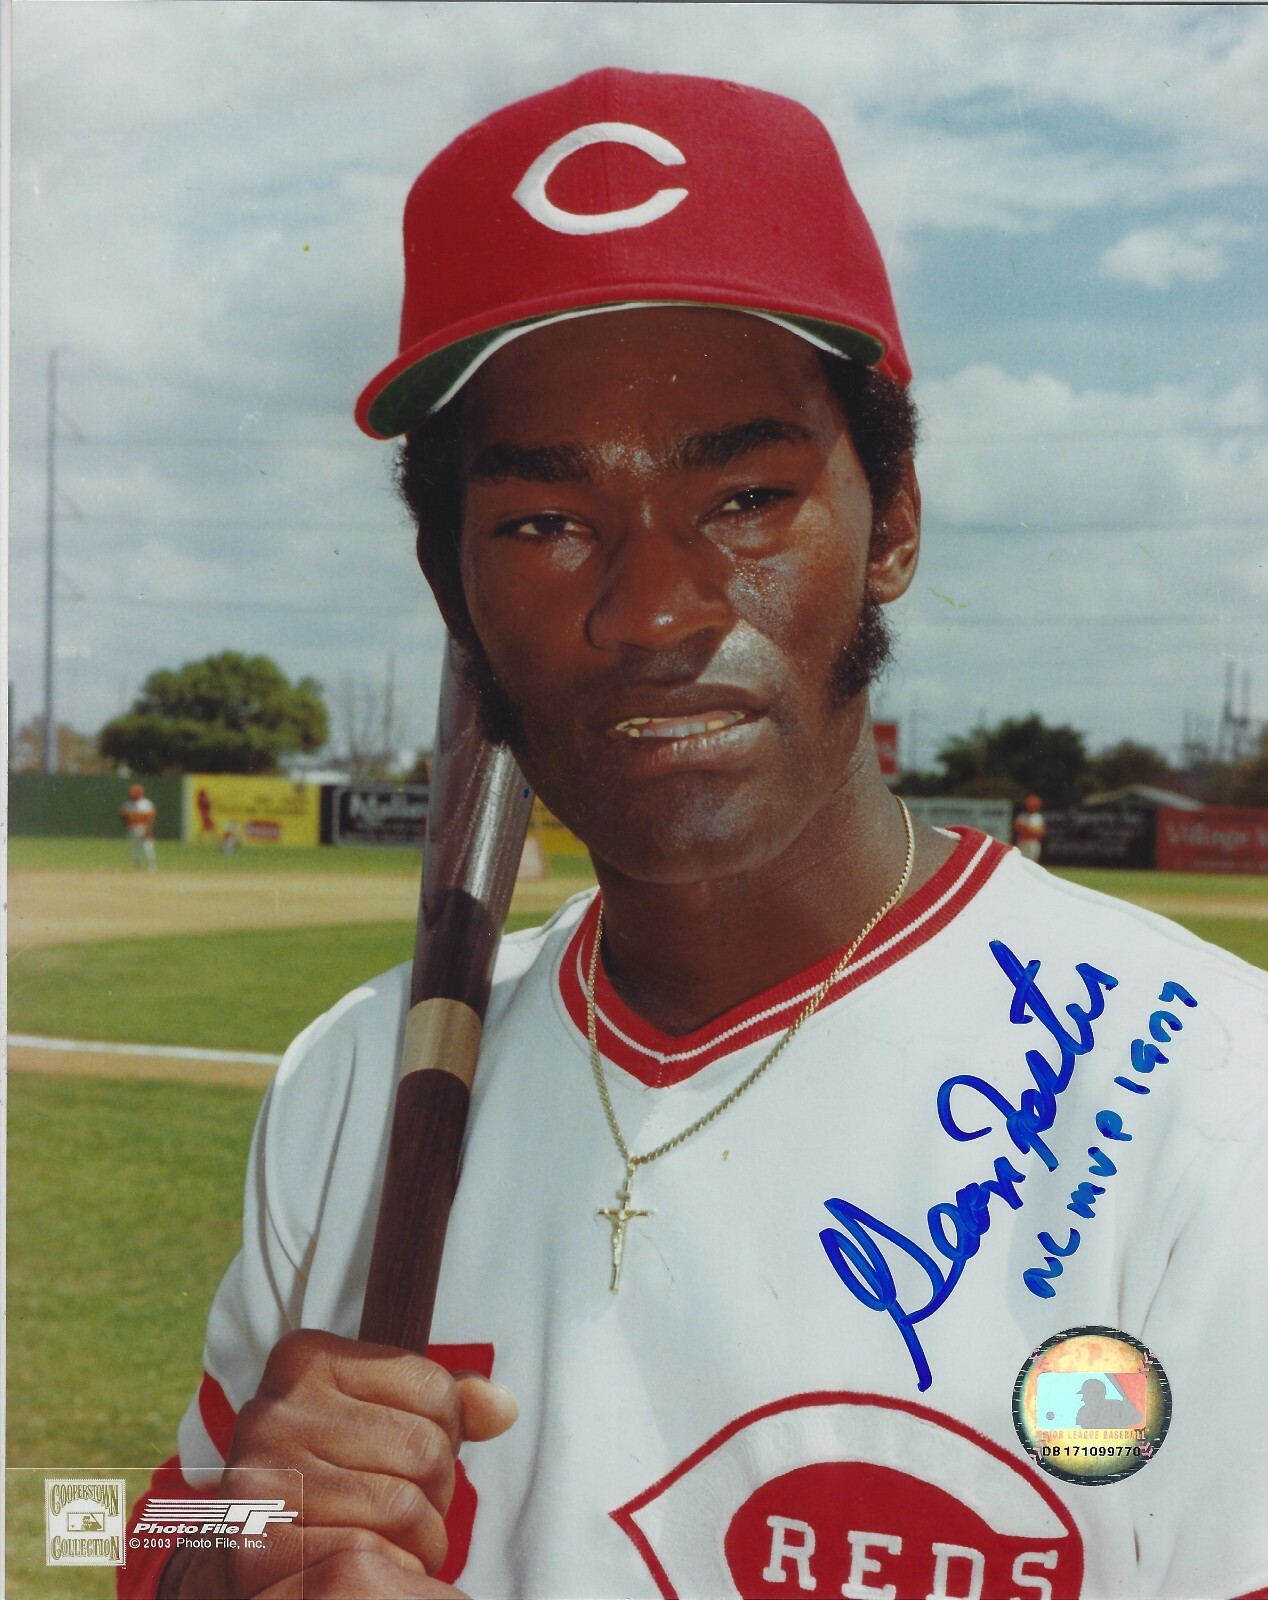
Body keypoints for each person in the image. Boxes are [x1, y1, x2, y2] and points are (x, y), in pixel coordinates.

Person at [124, 69, 1268, 1600]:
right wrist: (223, 1549)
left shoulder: (1214, 1107)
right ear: (452, 585)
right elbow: (104, 1532)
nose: (653, 608)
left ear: (893, 522)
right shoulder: (350, 1080)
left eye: (744, 497)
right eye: (543, 523)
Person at [120, 782, 157, 871]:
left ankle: (152, 867)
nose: (133, 794)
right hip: (133, 828)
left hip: (144, 828)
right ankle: (136, 867)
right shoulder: (127, 804)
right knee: (135, 849)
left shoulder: (146, 803)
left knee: (147, 847)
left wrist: (148, 828)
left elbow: (151, 817)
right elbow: (123, 816)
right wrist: (127, 826)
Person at [1014, 793, 1047, 863]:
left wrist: (1029, 829)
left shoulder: (1038, 817)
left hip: (1034, 843)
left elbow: (1041, 832)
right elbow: (1019, 829)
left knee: (1033, 862)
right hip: (1023, 842)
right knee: (1022, 861)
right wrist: (1032, 830)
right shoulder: (1022, 816)